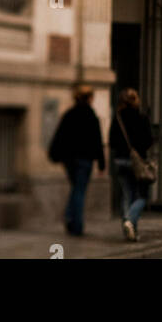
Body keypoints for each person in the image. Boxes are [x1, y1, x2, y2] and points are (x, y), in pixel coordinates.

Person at [47, 84, 105, 236]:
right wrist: (101, 163)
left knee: (76, 188)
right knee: (79, 190)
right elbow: (97, 142)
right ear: (90, 98)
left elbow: (60, 136)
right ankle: (75, 224)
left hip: (69, 160)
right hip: (85, 160)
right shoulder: (91, 116)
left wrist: (56, 155)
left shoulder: (69, 114)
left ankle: (70, 217)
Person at [109, 88, 154, 242]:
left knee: (127, 195)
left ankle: (129, 230)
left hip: (120, 160)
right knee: (143, 196)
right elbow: (149, 140)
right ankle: (130, 220)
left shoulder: (118, 118)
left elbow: (111, 140)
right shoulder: (142, 118)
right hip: (138, 162)